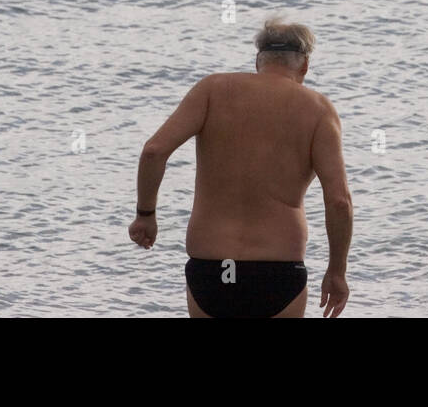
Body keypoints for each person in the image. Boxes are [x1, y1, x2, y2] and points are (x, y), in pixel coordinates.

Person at [128, 17, 353, 317]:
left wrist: (146, 216)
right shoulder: (318, 110)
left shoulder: (212, 89)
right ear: (304, 66)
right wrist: (336, 272)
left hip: (211, 269)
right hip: (277, 272)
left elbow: (154, 152)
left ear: (259, 59)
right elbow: (339, 201)